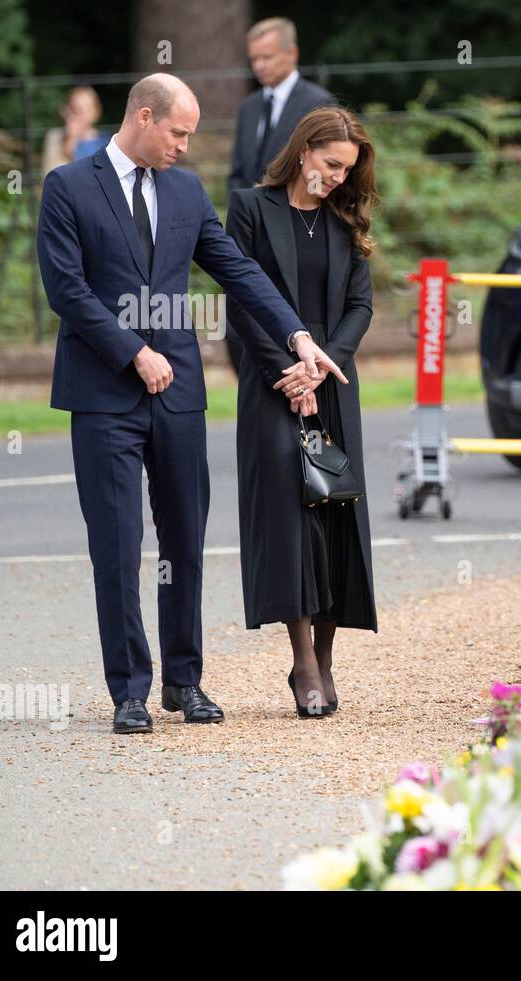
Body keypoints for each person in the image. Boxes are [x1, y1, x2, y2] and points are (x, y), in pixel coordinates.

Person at [36, 73, 347, 735]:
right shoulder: (67, 187)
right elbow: (66, 289)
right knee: (118, 546)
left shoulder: (184, 190)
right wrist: (130, 350)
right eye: (177, 131)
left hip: (178, 394)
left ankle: (184, 680)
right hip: (103, 394)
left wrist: (296, 334)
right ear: (144, 117)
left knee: (184, 537)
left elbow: (235, 269)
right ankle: (129, 690)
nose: (185, 145)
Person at [225, 107, 379, 718]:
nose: (339, 178)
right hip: (271, 377)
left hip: (332, 377)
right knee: (291, 519)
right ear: (304, 149)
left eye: (348, 169)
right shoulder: (251, 208)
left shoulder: (347, 217)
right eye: (331, 163)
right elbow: (240, 298)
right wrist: (287, 375)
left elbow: (361, 306)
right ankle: (303, 662)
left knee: (336, 511)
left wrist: (321, 365)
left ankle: (328, 653)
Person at [225, 17, 334, 374]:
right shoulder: (248, 107)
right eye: (254, 58)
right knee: (241, 325)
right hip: (249, 235)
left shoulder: (317, 103)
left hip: (292, 233)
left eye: (267, 57)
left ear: (292, 54)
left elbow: (323, 178)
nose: (259, 66)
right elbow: (240, 172)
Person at [41, 86, 109, 176]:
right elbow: (51, 174)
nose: (80, 114)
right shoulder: (56, 138)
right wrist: (71, 139)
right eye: (75, 108)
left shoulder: (106, 140)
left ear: (95, 111)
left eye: (86, 108)